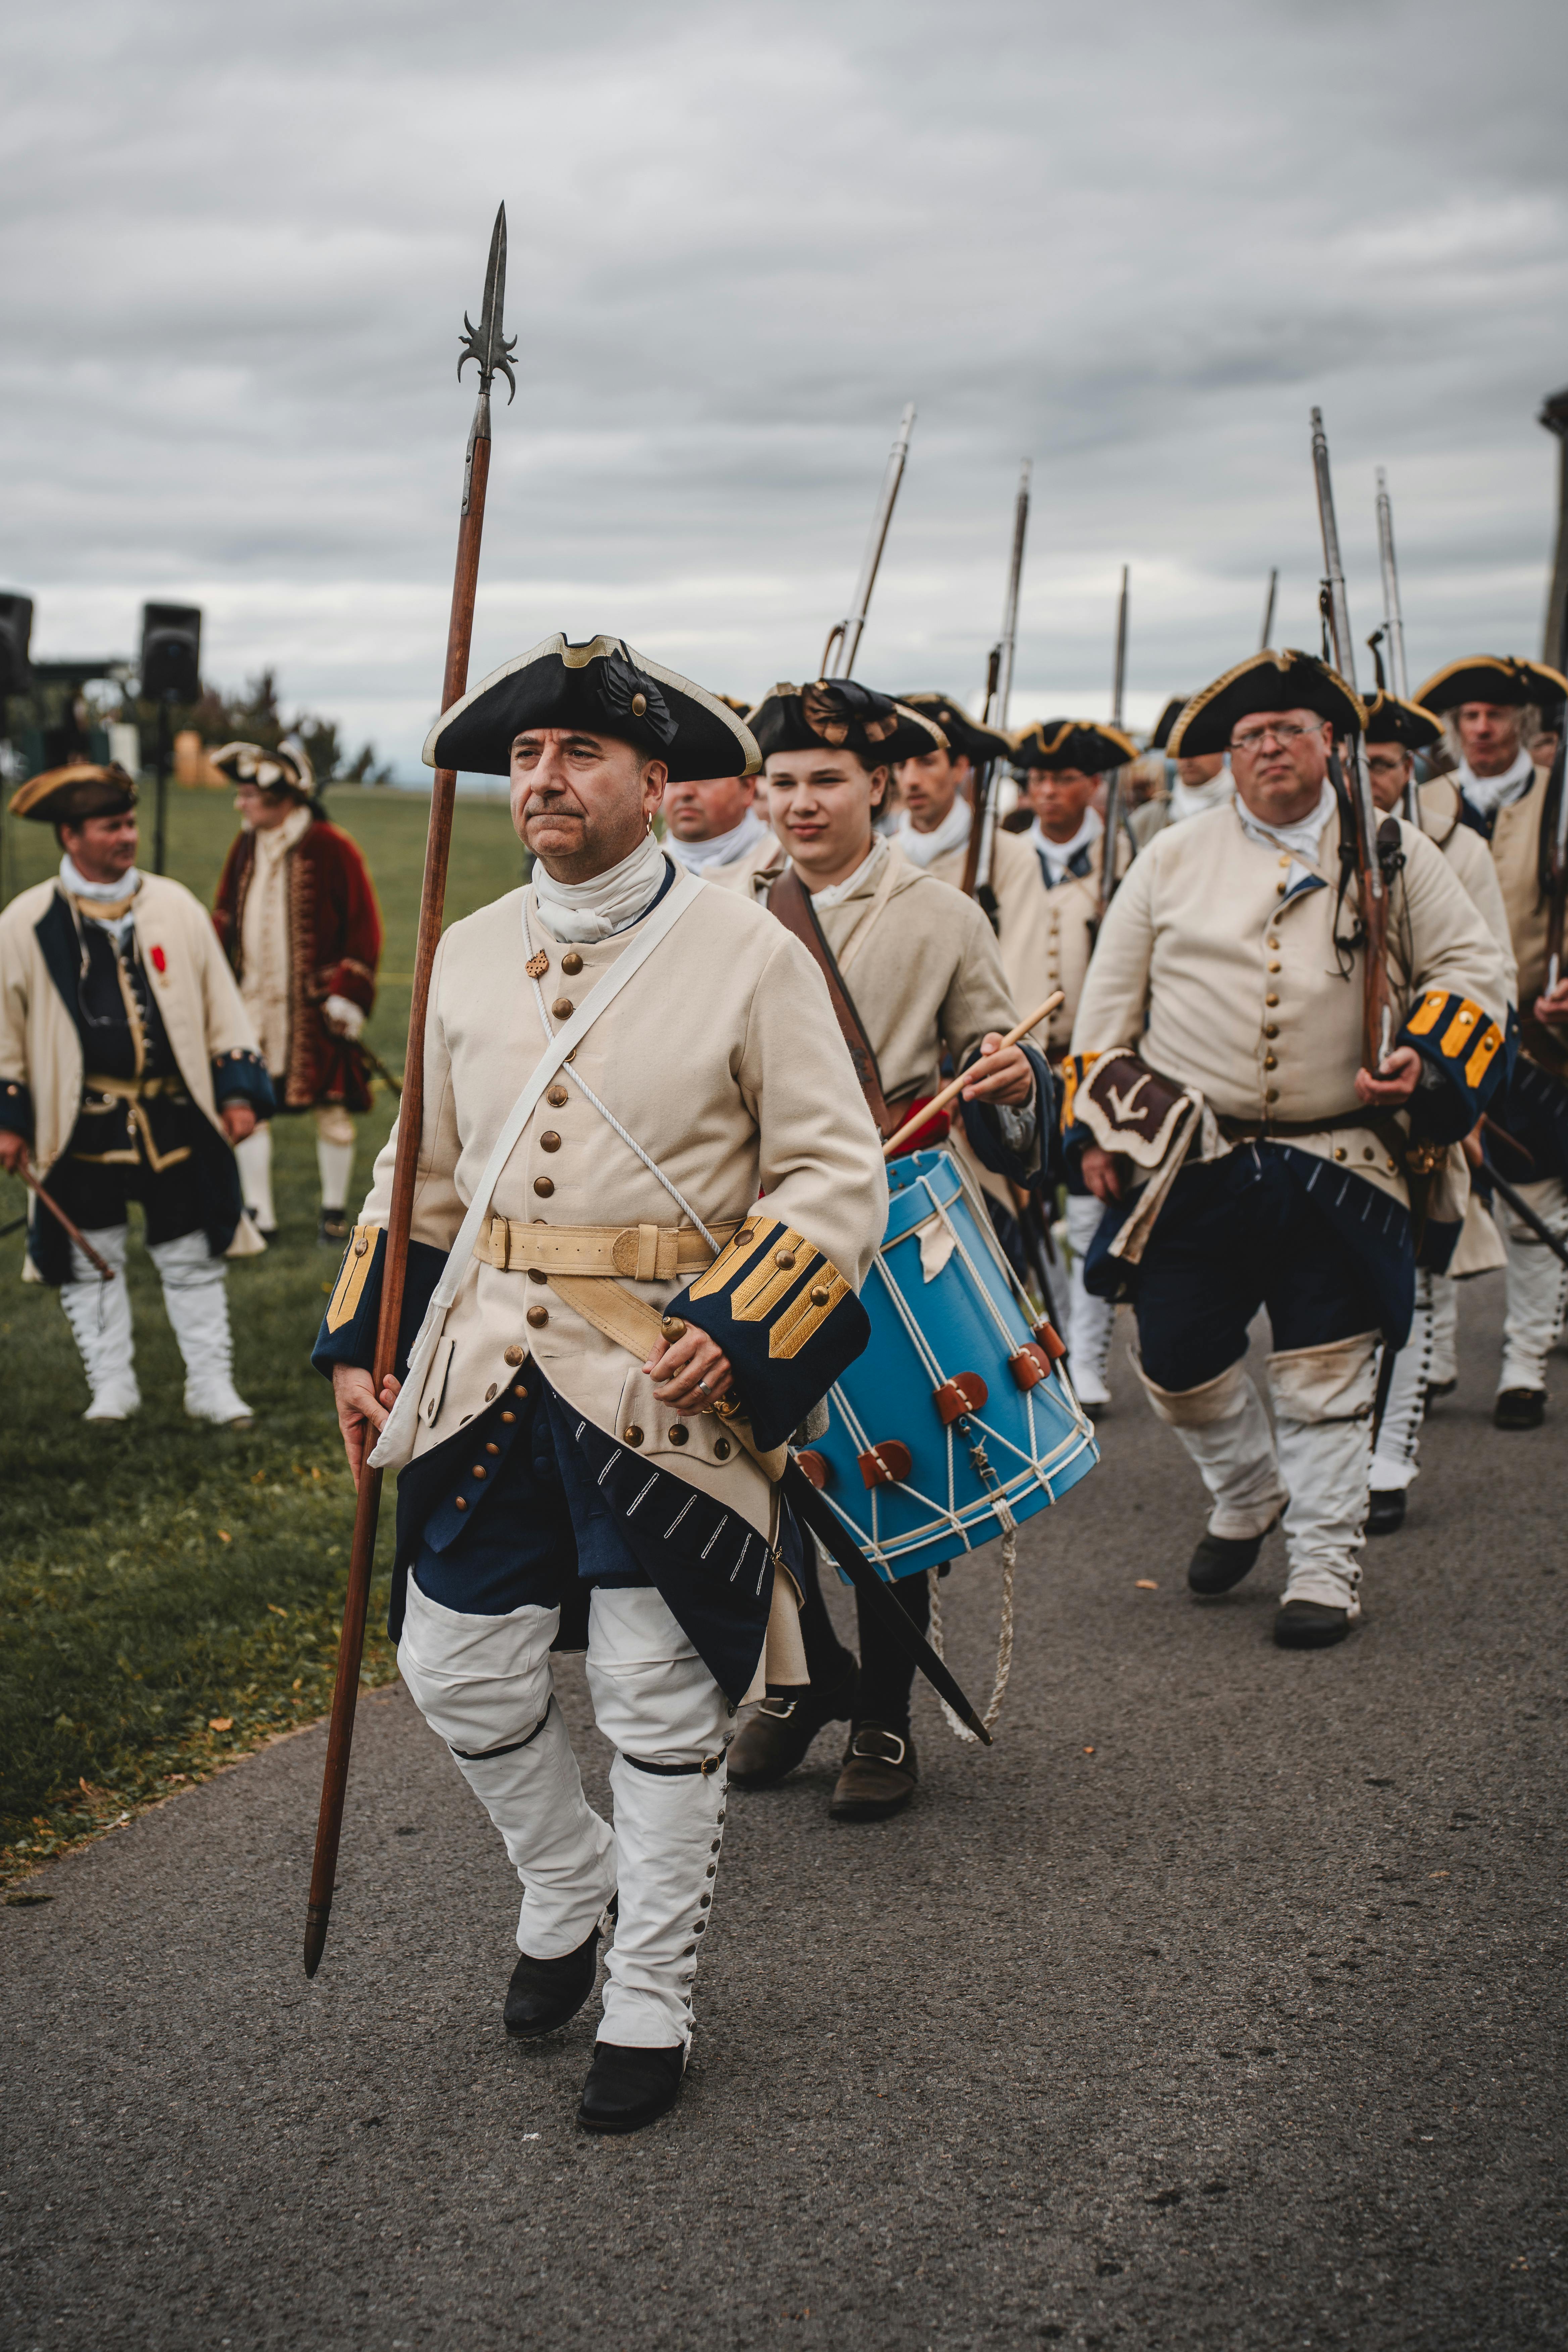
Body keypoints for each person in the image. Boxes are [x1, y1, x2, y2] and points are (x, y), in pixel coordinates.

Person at [314, 634, 886, 2135]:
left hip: (661, 1378)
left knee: (649, 1691)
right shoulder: (466, 945)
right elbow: (419, 1175)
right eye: (526, 758)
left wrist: (744, 1324)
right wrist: (365, 1347)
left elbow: (836, 1177)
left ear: (653, 781)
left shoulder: (753, 951)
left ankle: (650, 1984)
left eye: (578, 755)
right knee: (454, 1666)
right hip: (485, 1364)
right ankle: (565, 1882)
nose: (545, 779)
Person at [1067, 651, 1511, 1648]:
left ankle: (1324, 1562)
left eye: (1290, 730)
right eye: (1250, 736)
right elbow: (1105, 1013)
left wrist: (1429, 1055)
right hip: (1196, 1157)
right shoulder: (1170, 856)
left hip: (1344, 1156)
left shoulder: (1393, 851)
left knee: (1326, 1372)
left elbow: (1475, 970)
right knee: (1175, 1361)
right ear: (1230, 756)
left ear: (1328, 744)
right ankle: (1246, 1487)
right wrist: (1098, 1131)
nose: (1270, 747)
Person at [725, 677, 1052, 1819]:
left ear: (881, 784)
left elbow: (1001, 1080)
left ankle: (885, 1716)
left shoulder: (943, 914)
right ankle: (799, 1679)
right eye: (782, 782)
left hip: (887, 1214)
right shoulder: (720, 903)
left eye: (826, 780)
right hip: (746, 1229)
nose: (801, 802)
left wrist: (1013, 1085)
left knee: (884, 1471)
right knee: (761, 1475)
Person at [0, 762, 272, 1423]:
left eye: (129, 823)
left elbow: (221, 1006)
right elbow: (3, 1029)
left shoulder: (174, 904)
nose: (126, 837)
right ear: (71, 836)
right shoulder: (25, 921)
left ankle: (209, 1386)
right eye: (110, 826)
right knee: (92, 1254)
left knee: (192, 1254)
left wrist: (238, 1091)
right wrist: (9, 1118)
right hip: (81, 1123)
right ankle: (111, 1387)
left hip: (173, 1117)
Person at [1360, 693, 1516, 1528]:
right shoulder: (1328, 844)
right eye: (1362, 762)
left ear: (1410, 769)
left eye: (1386, 765)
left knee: (1413, 1282)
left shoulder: (1451, 852)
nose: (1371, 778)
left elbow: (1492, 980)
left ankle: (1391, 1454)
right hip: (1342, 1101)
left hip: (1427, 1094)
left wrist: (1454, 1077)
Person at [1412, 655, 1568, 1428]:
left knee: (1530, 1204)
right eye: (1468, 717)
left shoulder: (1559, 800)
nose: (1481, 729)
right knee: (1432, 1199)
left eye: (1496, 716)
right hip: (1439, 1036)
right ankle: (1434, 1358)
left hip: (1539, 1042)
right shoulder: (1423, 805)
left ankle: (1523, 1365)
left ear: (1524, 725)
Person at [1002, 718, 1137, 1409]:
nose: (1046, 792)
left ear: (1092, 785)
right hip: (1023, 1069)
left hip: (1095, 1066)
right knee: (1028, 1217)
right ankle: (1054, 1336)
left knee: (1089, 1212)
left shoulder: (1126, 860)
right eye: (1036, 779)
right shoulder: (1004, 860)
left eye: (1061, 779)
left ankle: (1088, 1359)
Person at [211, 740, 383, 1247]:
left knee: (331, 1107)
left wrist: (347, 994)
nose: (239, 805)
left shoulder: (331, 845)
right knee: (247, 1103)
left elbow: (363, 926)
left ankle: (333, 1211)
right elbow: (225, 915)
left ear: (282, 797)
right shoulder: (245, 845)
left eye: (248, 795)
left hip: (315, 1010)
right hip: (252, 1004)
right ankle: (259, 1212)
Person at [659, 716, 781, 891]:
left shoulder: (787, 865)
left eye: (703, 778)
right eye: (674, 778)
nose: (685, 792)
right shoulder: (641, 869)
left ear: (748, 788)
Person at [1129, 695, 1234, 846]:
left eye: (1200, 744)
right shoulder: (1147, 820)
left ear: (1223, 747)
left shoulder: (1249, 810)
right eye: (1179, 746)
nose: (1188, 756)